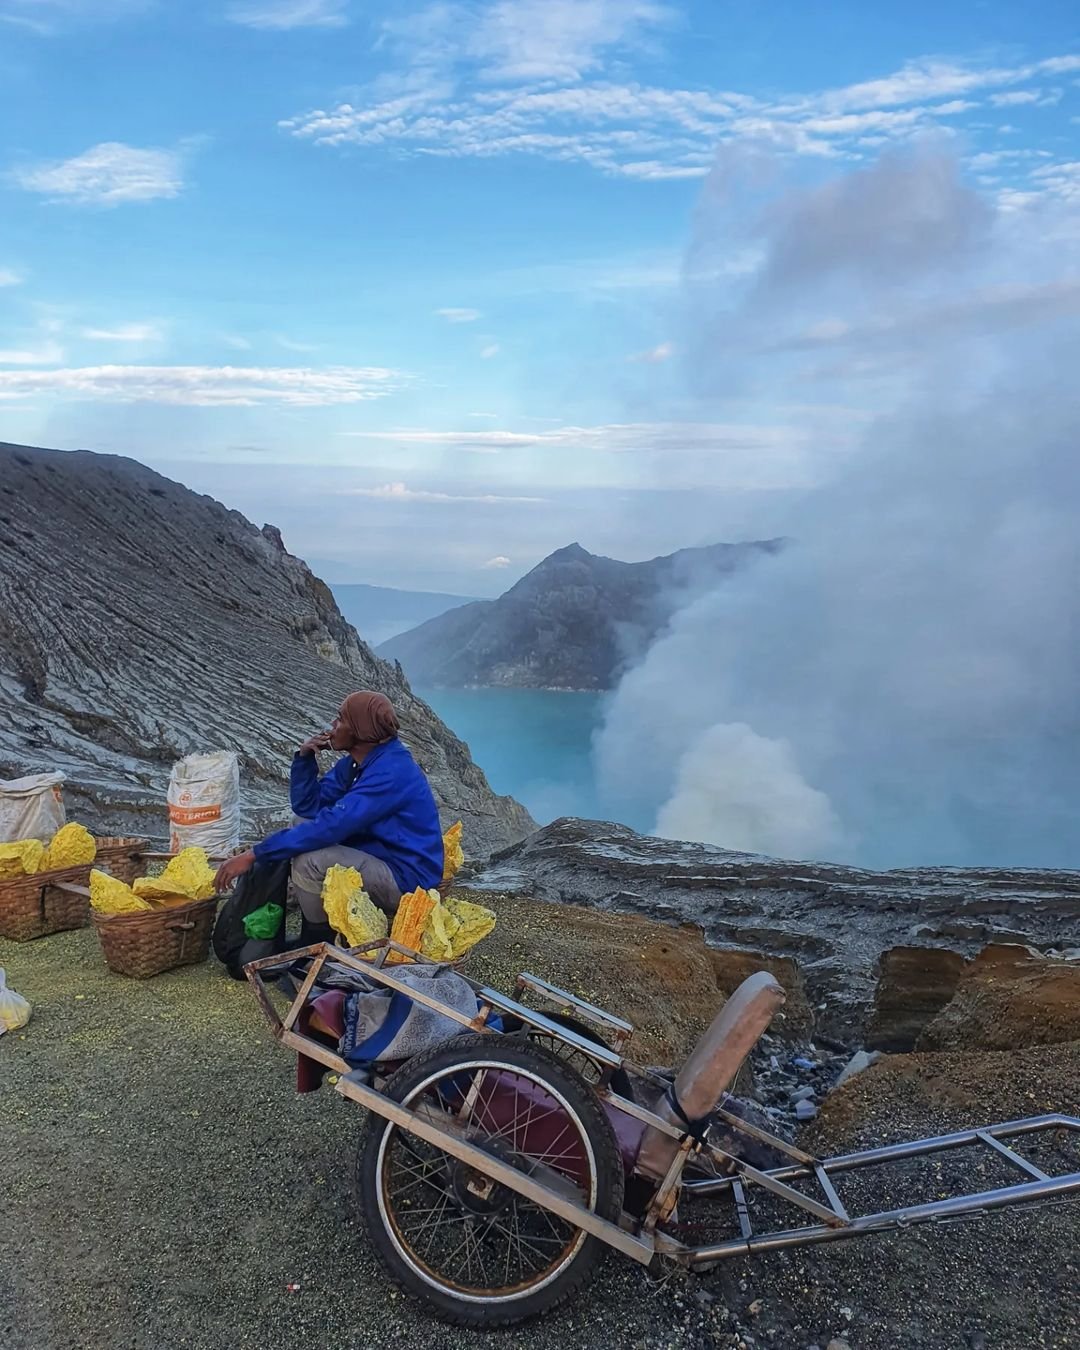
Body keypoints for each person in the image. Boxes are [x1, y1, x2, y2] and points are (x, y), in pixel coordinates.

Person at [213, 691, 444, 945]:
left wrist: (253, 854)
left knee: (311, 861)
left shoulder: (391, 773)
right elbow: (309, 808)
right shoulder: (356, 764)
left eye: (341, 719)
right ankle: (317, 928)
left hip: (408, 879)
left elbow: (331, 826)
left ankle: (315, 945)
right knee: (300, 825)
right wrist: (305, 759)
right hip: (380, 854)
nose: (333, 725)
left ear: (360, 730)